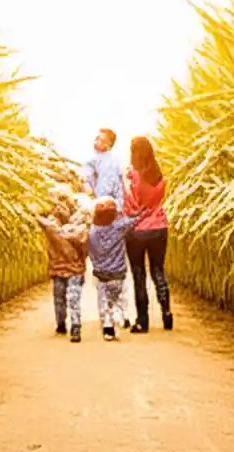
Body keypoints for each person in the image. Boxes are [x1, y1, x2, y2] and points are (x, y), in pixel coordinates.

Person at [80, 128, 131, 327]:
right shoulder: (91, 160)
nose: (96, 140)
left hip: (109, 214)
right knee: (111, 264)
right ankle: (117, 311)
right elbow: (86, 184)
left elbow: (119, 187)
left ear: (108, 143)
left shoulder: (113, 162)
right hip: (104, 213)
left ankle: (116, 312)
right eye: (96, 137)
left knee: (111, 264)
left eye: (100, 138)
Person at [124, 136, 173, 332]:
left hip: (137, 231)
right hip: (160, 227)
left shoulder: (132, 176)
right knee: (158, 271)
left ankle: (142, 322)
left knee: (138, 274)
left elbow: (129, 206)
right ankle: (166, 312)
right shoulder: (158, 175)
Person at [87, 195, 148, 341]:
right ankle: (119, 318)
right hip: (118, 273)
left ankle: (108, 327)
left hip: (101, 274)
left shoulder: (92, 232)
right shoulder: (118, 227)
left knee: (104, 300)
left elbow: (90, 251)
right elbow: (134, 220)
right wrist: (144, 211)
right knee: (118, 298)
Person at [36, 187, 88, 343]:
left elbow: (41, 220)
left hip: (61, 269)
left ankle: (64, 325)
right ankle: (73, 326)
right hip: (75, 270)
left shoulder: (51, 226)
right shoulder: (81, 227)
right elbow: (85, 247)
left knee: (60, 298)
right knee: (73, 298)